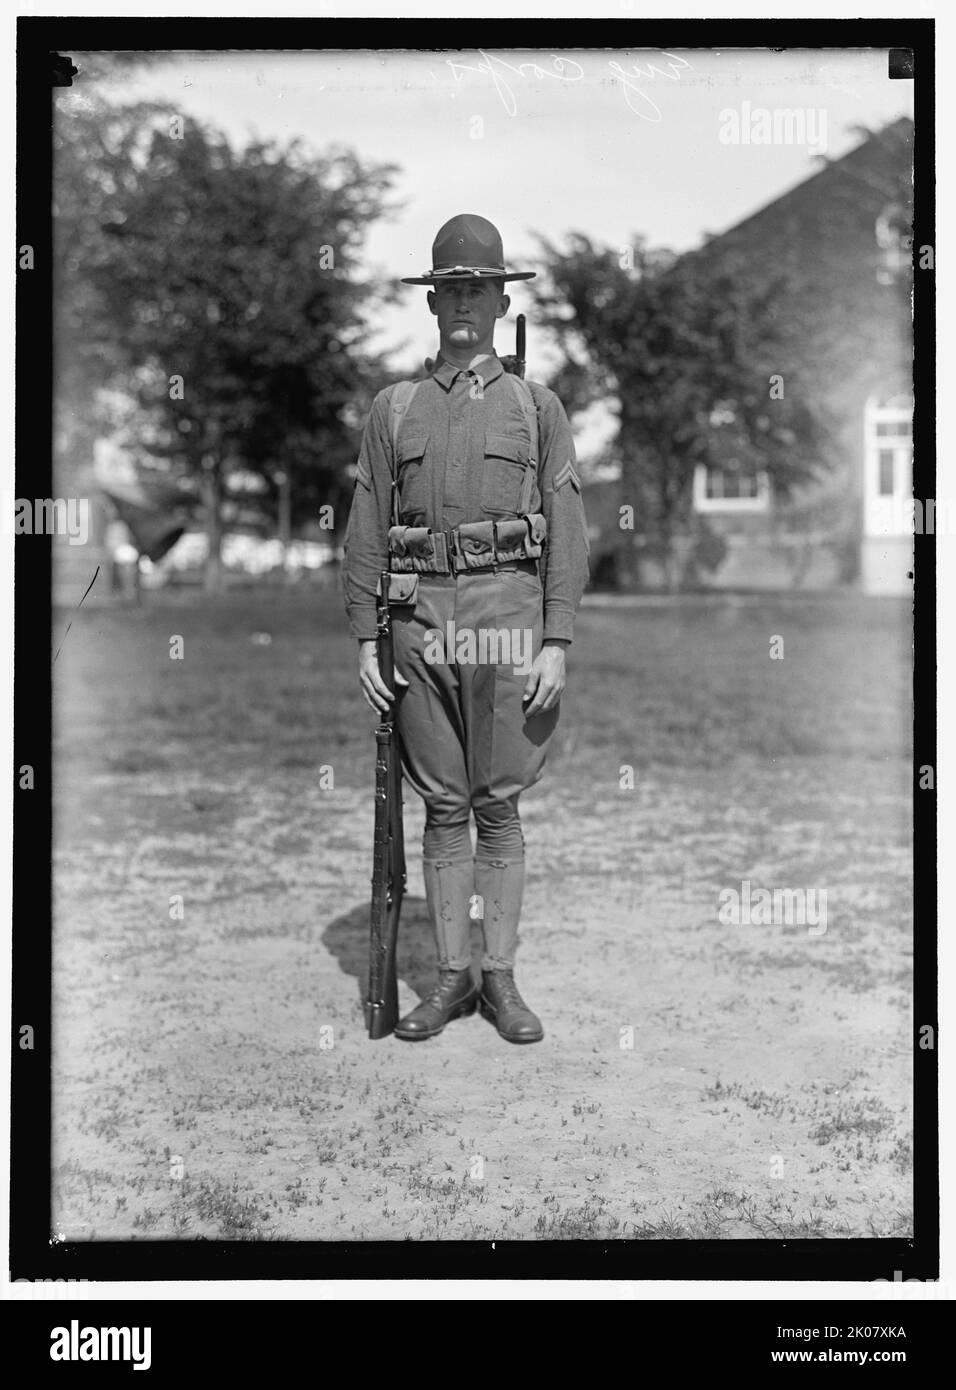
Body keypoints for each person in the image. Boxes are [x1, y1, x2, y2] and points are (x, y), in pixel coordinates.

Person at [342, 214, 589, 1043]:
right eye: (449, 288)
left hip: (508, 617)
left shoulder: (536, 406)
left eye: (476, 288)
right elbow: (367, 521)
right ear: (432, 301)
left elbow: (568, 525)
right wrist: (366, 639)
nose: (462, 303)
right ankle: (450, 979)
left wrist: (557, 639)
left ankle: (502, 980)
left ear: (499, 299)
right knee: (443, 804)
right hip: (418, 619)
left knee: (499, 805)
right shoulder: (394, 408)